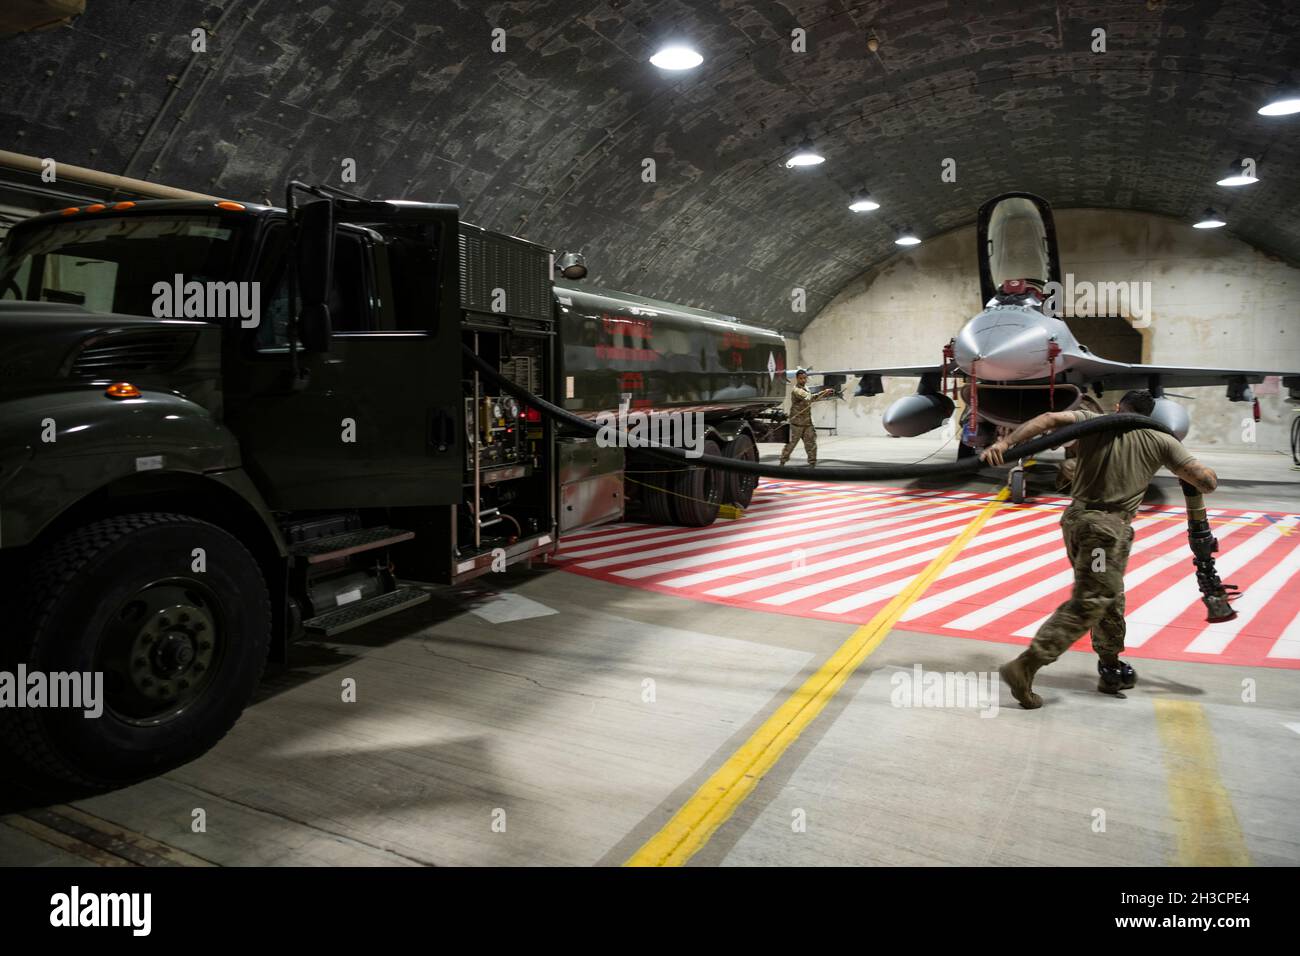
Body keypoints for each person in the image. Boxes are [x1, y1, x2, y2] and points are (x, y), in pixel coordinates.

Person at [980, 390, 1218, 708]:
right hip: (1103, 534)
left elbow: (1049, 419)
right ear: (1152, 417)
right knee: (1092, 600)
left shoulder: (1093, 421)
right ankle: (1025, 666)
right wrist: (1192, 472)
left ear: (1120, 408)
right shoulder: (1162, 441)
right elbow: (1206, 481)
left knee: (1109, 596)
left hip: (1076, 522)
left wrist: (1004, 444)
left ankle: (1110, 668)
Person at [780, 369, 834, 467]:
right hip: (797, 423)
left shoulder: (806, 388)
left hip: (807, 422)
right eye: (801, 378)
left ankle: (812, 463)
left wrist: (824, 394)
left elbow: (811, 398)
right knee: (791, 445)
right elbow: (809, 398)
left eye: (805, 378)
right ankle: (782, 462)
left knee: (811, 444)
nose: (803, 380)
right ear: (797, 379)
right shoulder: (796, 390)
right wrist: (823, 392)